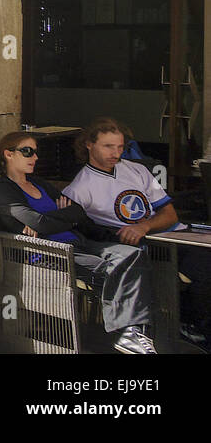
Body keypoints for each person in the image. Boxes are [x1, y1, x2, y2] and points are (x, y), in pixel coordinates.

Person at [0, 130, 158, 354]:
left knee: (133, 255)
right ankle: (129, 333)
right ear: (8, 154)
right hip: (53, 253)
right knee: (117, 269)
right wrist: (63, 218)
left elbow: (75, 211)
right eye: (27, 151)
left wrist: (58, 219)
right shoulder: (4, 190)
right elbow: (41, 222)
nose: (35, 158)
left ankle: (130, 333)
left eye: (36, 152)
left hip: (78, 240)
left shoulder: (39, 184)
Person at [63, 117, 211, 347]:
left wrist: (144, 225)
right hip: (145, 248)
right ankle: (190, 329)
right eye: (108, 146)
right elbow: (81, 231)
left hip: (173, 234)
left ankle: (194, 327)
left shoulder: (137, 169)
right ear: (89, 145)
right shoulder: (78, 189)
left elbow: (170, 215)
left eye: (120, 147)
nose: (116, 152)